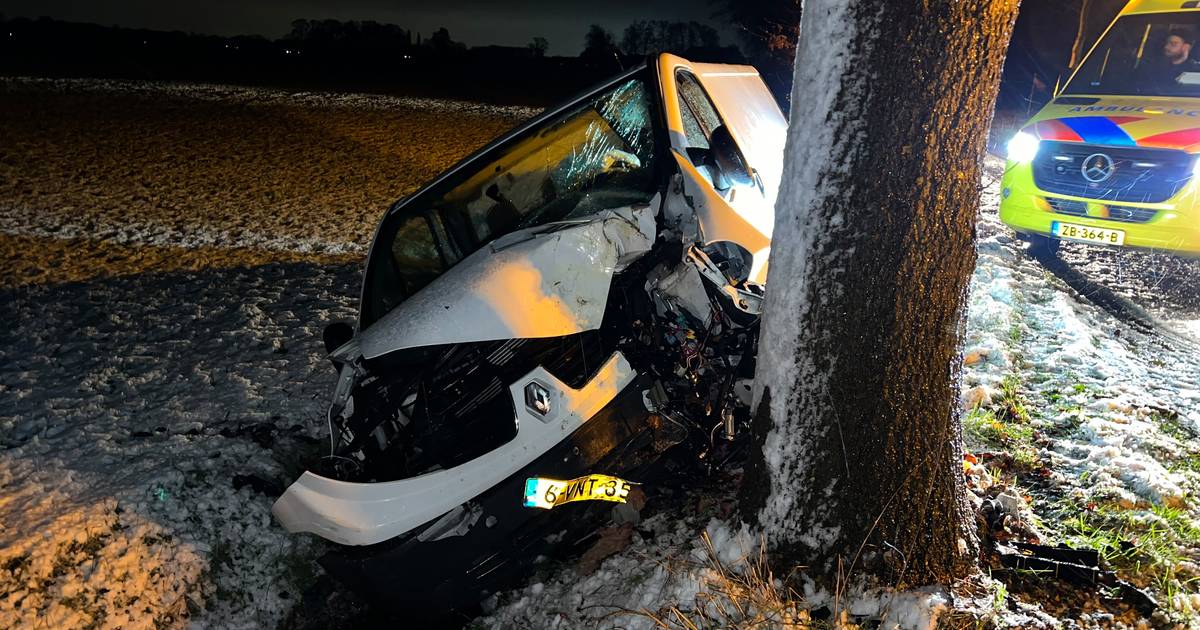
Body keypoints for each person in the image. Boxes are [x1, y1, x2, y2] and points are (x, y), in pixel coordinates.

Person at [1137, 28, 1200, 93]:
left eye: (1173, 44)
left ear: (1186, 47)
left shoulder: (1195, 68)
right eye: (1166, 43)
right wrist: (1177, 63)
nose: (1166, 47)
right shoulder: (1155, 66)